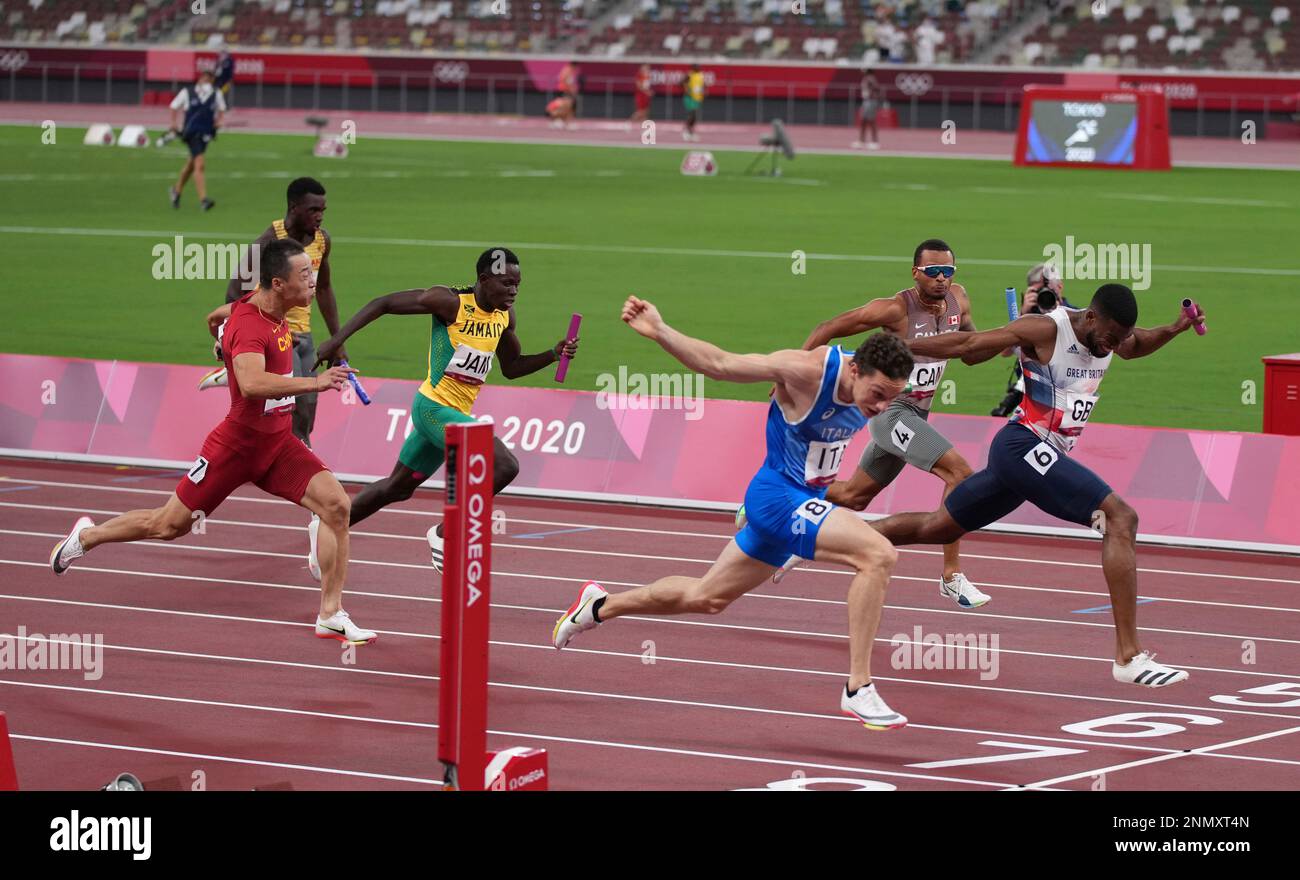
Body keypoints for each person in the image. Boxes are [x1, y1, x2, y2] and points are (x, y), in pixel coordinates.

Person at [553, 296, 916, 731]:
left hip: (801, 503)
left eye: (889, 400)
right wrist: (662, 331)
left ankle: (599, 606)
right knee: (877, 555)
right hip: (777, 498)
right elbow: (722, 364)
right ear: (855, 369)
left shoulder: (879, 385)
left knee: (706, 597)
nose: (878, 408)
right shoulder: (805, 372)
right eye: (876, 395)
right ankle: (859, 688)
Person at [870, 284, 1205, 688]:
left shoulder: (1112, 338)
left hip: (1032, 460)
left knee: (937, 527)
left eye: (1118, 342)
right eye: (1109, 339)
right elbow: (970, 342)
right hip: (1022, 445)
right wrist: (900, 347)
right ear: (1092, 318)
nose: (1111, 348)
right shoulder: (1046, 330)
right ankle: (1128, 657)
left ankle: (826, 537)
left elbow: (1140, 342)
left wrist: (1176, 327)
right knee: (1120, 518)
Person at [48, 240, 376, 645]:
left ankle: (330, 613)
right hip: (235, 449)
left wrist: (221, 349)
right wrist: (315, 382)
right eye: (304, 275)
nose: (313, 281)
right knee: (168, 525)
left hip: (277, 444)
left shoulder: (264, 306)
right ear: (278, 282)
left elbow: (214, 317)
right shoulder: (251, 324)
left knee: (337, 506)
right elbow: (254, 384)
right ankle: (86, 537)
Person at [311, 247, 579, 575]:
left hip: (450, 415)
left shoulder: (503, 317)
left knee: (398, 487)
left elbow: (512, 367)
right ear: (483, 279)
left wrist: (553, 354)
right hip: (433, 409)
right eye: (506, 283)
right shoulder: (449, 303)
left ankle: (329, 524)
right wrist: (335, 341)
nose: (513, 291)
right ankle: (445, 533)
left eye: (517, 285)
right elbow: (383, 304)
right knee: (505, 465)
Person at [771, 238, 988, 607]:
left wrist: (1013, 343)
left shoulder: (959, 300)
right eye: (932, 272)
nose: (940, 279)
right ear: (915, 272)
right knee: (960, 474)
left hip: (918, 413)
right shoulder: (894, 309)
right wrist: (792, 376)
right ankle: (951, 576)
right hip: (891, 412)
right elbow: (829, 326)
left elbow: (970, 353)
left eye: (947, 272)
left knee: (855, 495)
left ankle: (778, 501)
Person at [201, 178, 345, 450]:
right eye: (313, 209)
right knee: (299, 408)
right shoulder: (269, 242)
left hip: (304, 335)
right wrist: (232, 337)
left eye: (323, 210)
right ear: (294, 207)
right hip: (273, 334)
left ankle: (280, 458)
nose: (320, 216)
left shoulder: (322, 241)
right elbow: (234, 293)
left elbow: (324, 288)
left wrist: (337, 340)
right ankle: (305, 470)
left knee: (307, 413)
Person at [990, 262, 1077, 417]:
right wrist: (1022, 316)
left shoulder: (1075, 315)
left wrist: (1058, 314)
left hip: (1062, 395)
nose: (1045, 294)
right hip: (1030, 392)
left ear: (1060, 286)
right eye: (1038, 291)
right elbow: (1005, 351)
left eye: (1049, 290)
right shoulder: (1027, 316)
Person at [167, 70, 224, 211]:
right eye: (205, 78)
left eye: (210, 79)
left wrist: (219, 121)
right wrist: (174, 123)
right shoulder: (187, 92)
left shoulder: (216, 94)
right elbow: (174, 106)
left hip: (206, 135)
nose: (207, 81)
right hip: (191, 134)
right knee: (200, 165)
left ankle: (176, 191)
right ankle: (203, 200)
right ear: (200, 79)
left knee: (191, 165)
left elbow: (221, 110)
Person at [854, 69, 883, 150]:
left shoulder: (870, 78)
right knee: (864, 121)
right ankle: (861, 140)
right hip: (867, 101)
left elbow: (877, 88)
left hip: (871, 101)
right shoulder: (866, 78)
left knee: (871, 120)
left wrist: (873, 96)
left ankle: (875, 142)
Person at [682, 64, 705, 142]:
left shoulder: (701, 75)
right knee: (692, 114)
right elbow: (682, 82)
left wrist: (704, 90)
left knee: (694, 117)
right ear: (693, 68)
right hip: (689, 98)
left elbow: (703, 84)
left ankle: (690, 131)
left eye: (699, 67)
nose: (698, 68)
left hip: (697, 98)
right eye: (697, 67)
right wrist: (686, 89)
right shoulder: (689, 75)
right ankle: (687, 132)